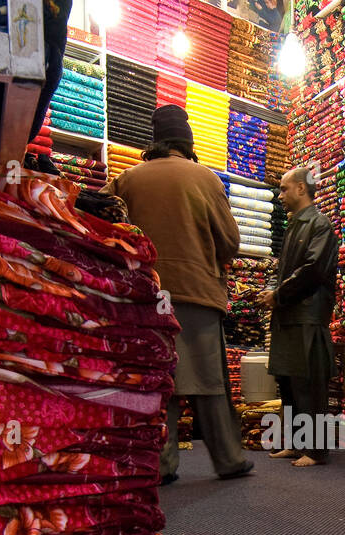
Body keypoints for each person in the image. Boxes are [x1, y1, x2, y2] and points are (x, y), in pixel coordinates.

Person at [105, 104, 253, 483]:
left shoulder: (127, 180)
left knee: (159, 378)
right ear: (187, 143)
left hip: (147, 295)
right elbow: (230, 242)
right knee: (209, 382)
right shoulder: (205, 179)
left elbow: (99, 226)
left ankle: (161, 462)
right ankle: (228, 459)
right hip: (196, 292)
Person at [261, 167, 337, 467]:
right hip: (290, 314)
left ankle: (315, 450)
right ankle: (297, 443)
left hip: (308, 314)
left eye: (283, 188)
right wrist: (274, 292)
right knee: (290, 383)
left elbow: (314, 270)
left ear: (302, 189)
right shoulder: (295, 225)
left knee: (309, 385)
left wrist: (278, 295)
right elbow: (286, 271)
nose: (280, 195)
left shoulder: (320, 225)